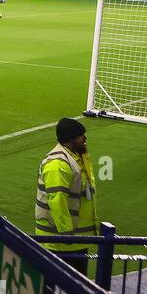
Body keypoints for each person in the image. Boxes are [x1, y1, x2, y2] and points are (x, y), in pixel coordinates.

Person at [34, 118, 100, 276]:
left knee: (78, 290)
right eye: (81, 135)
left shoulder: (78, 158)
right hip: (59, 242)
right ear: (71, 138)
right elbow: (57, 201)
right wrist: (66, 234)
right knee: (49, 289)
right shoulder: (58, 164)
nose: (85, 138)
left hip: (75, 241)